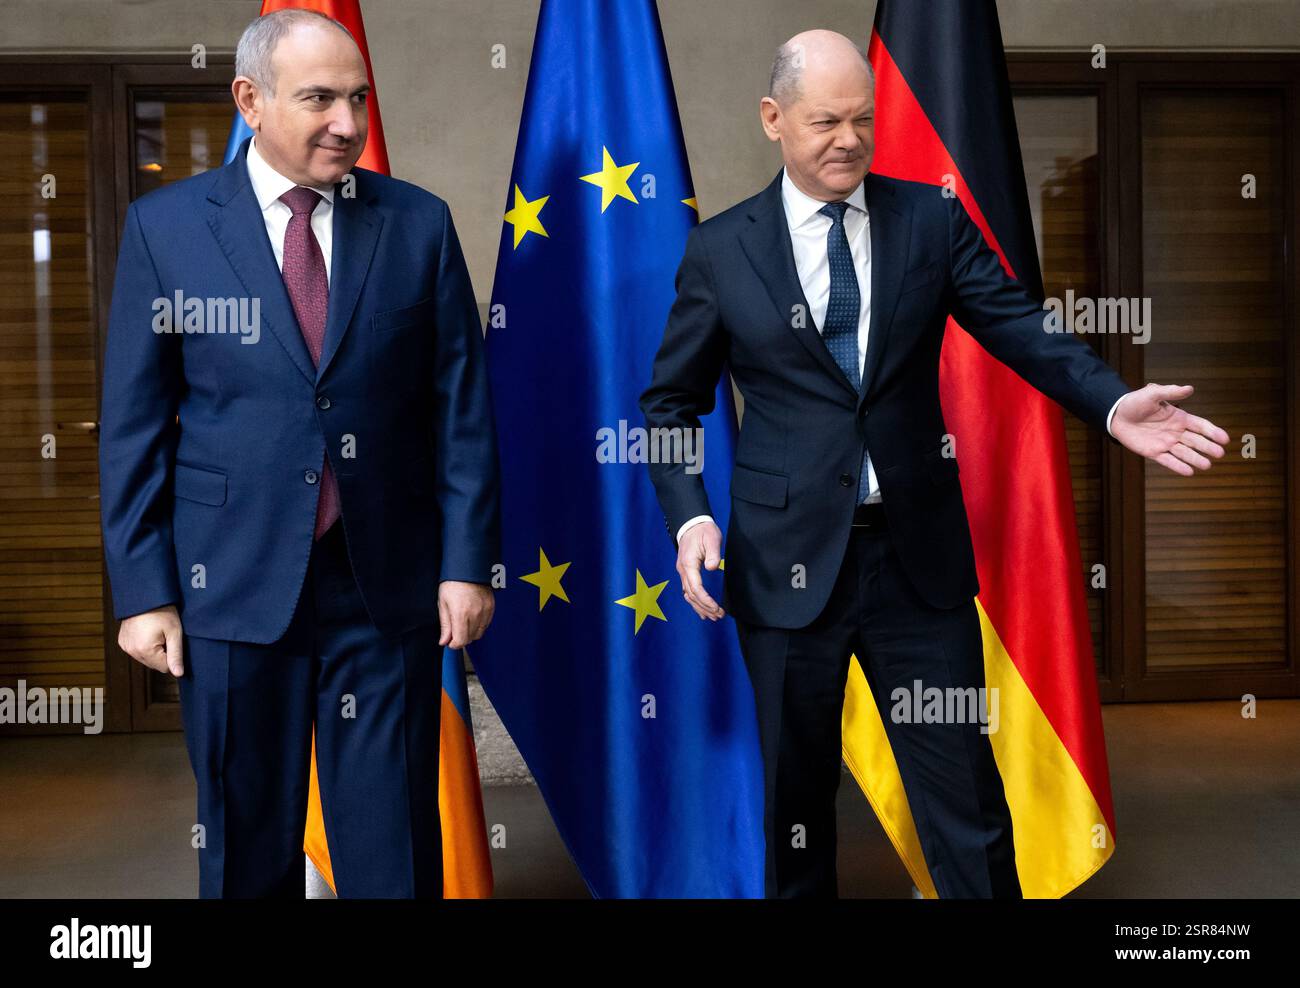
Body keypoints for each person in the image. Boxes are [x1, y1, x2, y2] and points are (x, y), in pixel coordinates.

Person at [640, 29, 1228, 898]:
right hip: (785, 566)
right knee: (794, 810)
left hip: (916, 566)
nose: (848, 140)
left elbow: (1020, 329)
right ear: (773, 119)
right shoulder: (722, 251)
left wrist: (1109, 402)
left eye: (862, 121)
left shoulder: (930, 219)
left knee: (966, 802)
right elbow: (667, 406)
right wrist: (691, 515)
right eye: (824, 122)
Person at [98, 9, 500, 898]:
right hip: (227, 590)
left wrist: (469, 565)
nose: (348, 123)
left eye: (357, 99)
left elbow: (462, 414)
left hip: (386, 589)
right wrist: (144, 591)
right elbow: (134, 426)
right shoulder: (165, 229)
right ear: (250, 99)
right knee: (244, 850)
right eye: (320, 99)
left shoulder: (418, 225)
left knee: (394, 849)